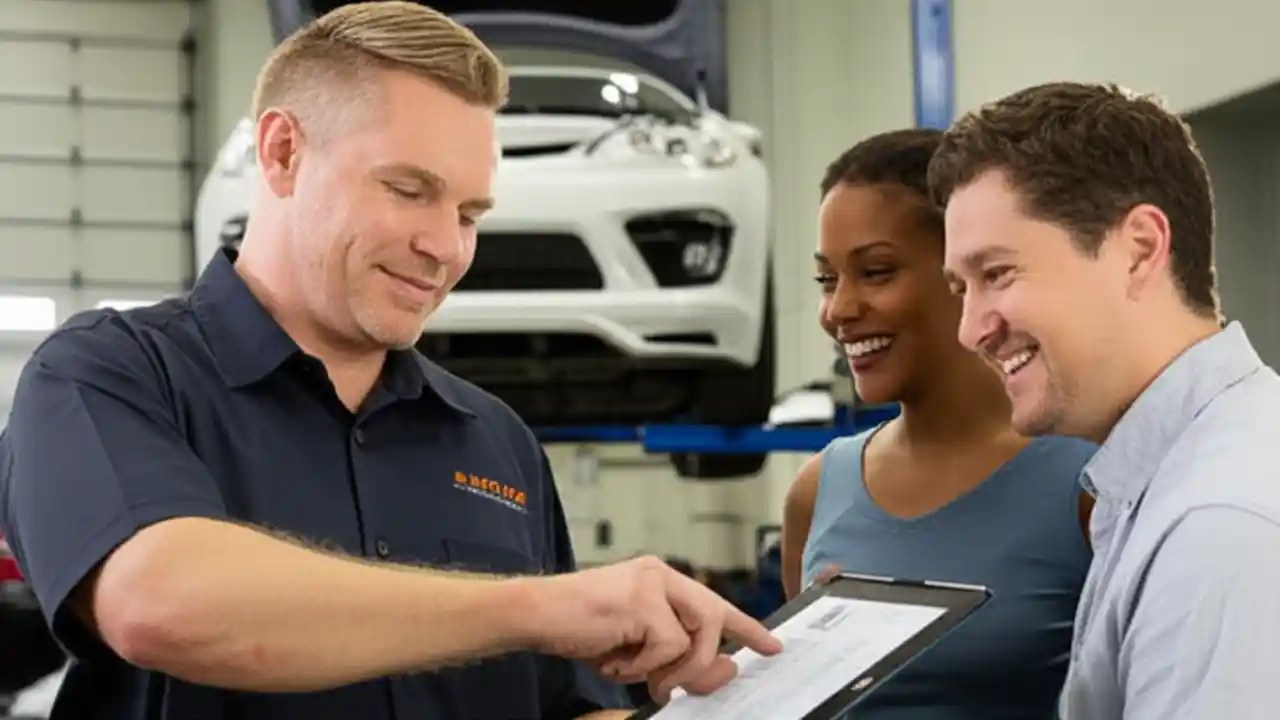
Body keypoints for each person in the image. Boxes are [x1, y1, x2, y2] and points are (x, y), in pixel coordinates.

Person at [0, 4, 779, 719]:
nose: (447, 248)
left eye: (470, 214)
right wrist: (544, 606)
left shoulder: (496, 440)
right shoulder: (105, 377)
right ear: (281, 153)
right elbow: (162, 604)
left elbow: (554, 706)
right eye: (409, 190)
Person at [928, 80, 1280, 719]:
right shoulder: (1175, 480)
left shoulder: (1220, 526)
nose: (970, 329)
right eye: (961, 288)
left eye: (997, 274)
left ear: (1139, 250)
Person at [782, 129, 1097, 718]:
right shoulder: (818, 491)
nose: (839, 310)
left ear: (962, 271)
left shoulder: (1088, 482)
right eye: (828, 279)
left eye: (875, 272)